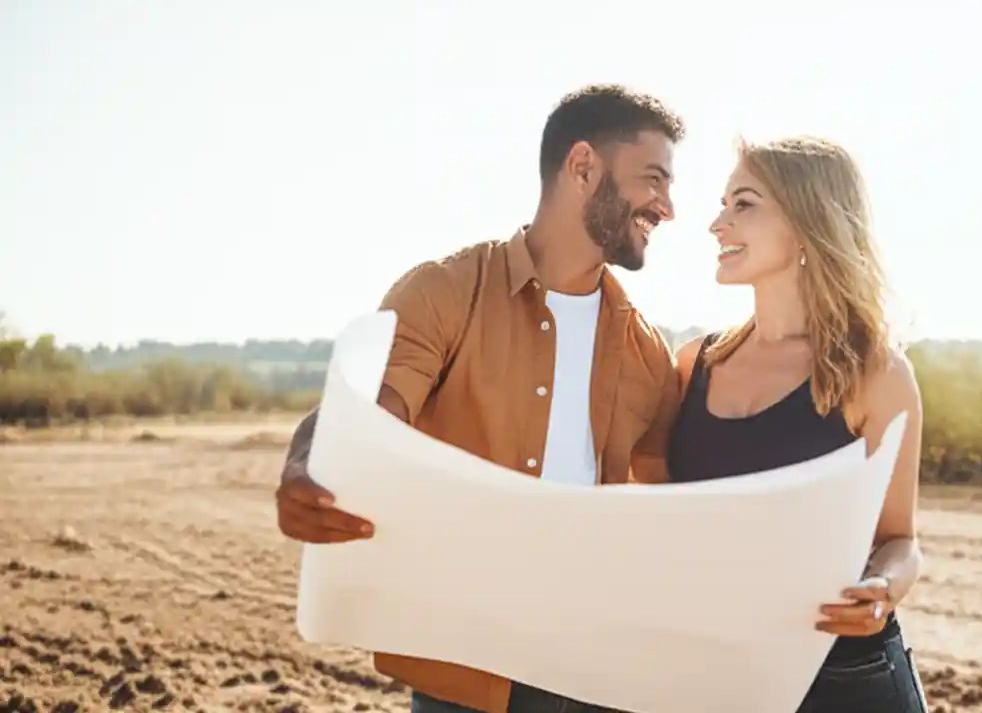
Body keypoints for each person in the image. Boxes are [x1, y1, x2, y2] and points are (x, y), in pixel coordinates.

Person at [273, 84, 686, 713]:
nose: (667, 207)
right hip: (470, 669)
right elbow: (363, 413)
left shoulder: (646, 352)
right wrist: (308, 462)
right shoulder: (446, 293)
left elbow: (671, 504)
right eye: (653, 179)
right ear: (582, 167)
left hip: (593, 670)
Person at [664, 136, 930, 712]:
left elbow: (899, 541)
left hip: (846, 678)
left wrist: (883, 591)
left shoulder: (876, 374)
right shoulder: (693, 365)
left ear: (808, 222)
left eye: (744, 205)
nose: (716, 224)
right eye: (723, 203)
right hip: (722, 671)